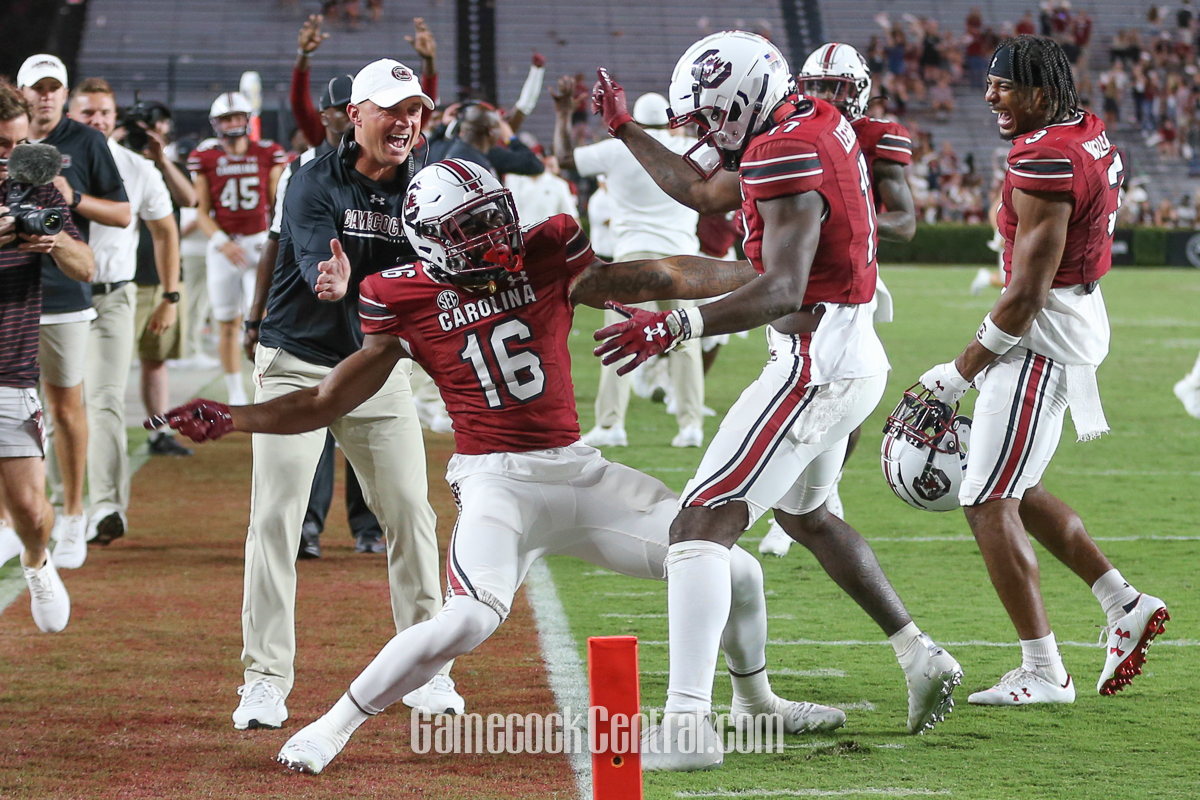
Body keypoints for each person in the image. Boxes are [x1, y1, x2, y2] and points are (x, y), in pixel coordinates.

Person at [155, 158, 845, 776]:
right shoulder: (400, 298)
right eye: (468, 227)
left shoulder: (547, 253)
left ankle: (754, 702)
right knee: (467, 622)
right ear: (429, 238)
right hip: (497, 484)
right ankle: (331, 727)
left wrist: (772, 282)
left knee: (732, 565)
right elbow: (326, 400)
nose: (491, 235)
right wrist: (237, 417)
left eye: (492, 217)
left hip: (579, 472)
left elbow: (664, 272)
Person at [591, 32, 961, 768]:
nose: (702, 132)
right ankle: (919, 657)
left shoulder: (785, 149)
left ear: (742, 101)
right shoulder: (806, 124)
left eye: (708, 118)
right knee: (805, 513)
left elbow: (784, 289)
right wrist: (626, 129)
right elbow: (699, 193)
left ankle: (689, 727)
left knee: (699, 524)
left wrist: (679, 323)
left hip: (814, 364)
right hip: (850, 352)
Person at [915, 36, 1167, 706]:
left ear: (1043, 90)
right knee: (1016, 488)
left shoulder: (1046, 155)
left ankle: (1044, 670)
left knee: (986, 499)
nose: (990, 95)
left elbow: (1025, 296)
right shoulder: (1080, 131)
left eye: (1005, 85)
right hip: (1066, 322)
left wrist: (957, 373)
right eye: (989, 83)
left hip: (1038, 340)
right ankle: (1124, 602)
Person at [224, 59, 455, 731]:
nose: (405, 121)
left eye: (415, 109)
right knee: (276, 519)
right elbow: (313, 267)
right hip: (298, 364)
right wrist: (337, 280)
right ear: (356, 116)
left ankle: (427, 668)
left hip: (375, 367)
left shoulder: (427, 190)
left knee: (411, 512)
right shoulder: (310, 183)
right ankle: (264, 680)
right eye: (391, 109)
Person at [760, 41, 917, 555]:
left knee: (840, 381)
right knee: (798, 378)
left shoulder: (877, 138)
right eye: (818, 87)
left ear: (861, 91)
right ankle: (803, 497)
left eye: (837, 88)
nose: (827, 97)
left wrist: (852, 221)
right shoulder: (790, 133)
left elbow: (907, 221)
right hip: (802, 275)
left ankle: (813, 495)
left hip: (853, 275)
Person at [62, 79, 181, 563]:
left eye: (105, 112)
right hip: (53, 296)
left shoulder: (137, 167)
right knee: (56, 405)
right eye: (89, 112)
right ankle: (61, 503)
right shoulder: (48, 159)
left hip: (113, 295)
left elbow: (166, 231)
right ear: (73, 113)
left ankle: (105, 507)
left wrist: (169, 295)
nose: (98, 120)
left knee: (105, 399)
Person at [554, 81, 707, 449]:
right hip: (681, 258)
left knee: (619, 340)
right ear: (672, 121)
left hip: (632, 257)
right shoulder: (690, 149)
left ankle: (611, 424)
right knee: (686, 340)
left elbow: (565, 160)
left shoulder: (618, 149)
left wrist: (562, 113)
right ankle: (690, 424)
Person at [18, 54, 131, 548]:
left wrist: (74, 198)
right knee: (15, 410)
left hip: (63, 288)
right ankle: (17, 514)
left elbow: (124, 213)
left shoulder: (86, 141)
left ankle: (73, 513)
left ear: (64, 94)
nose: (46, 95)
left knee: (65, 408)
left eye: (53, 88)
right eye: (37, 87)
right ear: (20, 93)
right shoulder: (7, 139)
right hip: (8, 290)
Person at [0, 83, 95, 631]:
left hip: (8, 370)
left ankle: (35, 559)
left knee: (33, 513)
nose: (9, 158)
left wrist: (52, 241)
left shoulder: (34, 188)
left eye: (16, 145)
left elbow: (85, 268)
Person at [187, 91, 286, 406]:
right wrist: (222, 242)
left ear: (248, 119)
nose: (232, 124)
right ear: (217, 123)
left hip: (259, 244)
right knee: (226, 321)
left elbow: (277, 203)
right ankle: (235, 392)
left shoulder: (267, 153)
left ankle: (267, 384)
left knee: (265, 319)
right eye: (226, 118)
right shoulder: (206, 158)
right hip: (223, 247)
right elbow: (201, 211)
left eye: (237, 117)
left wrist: (274, 240)